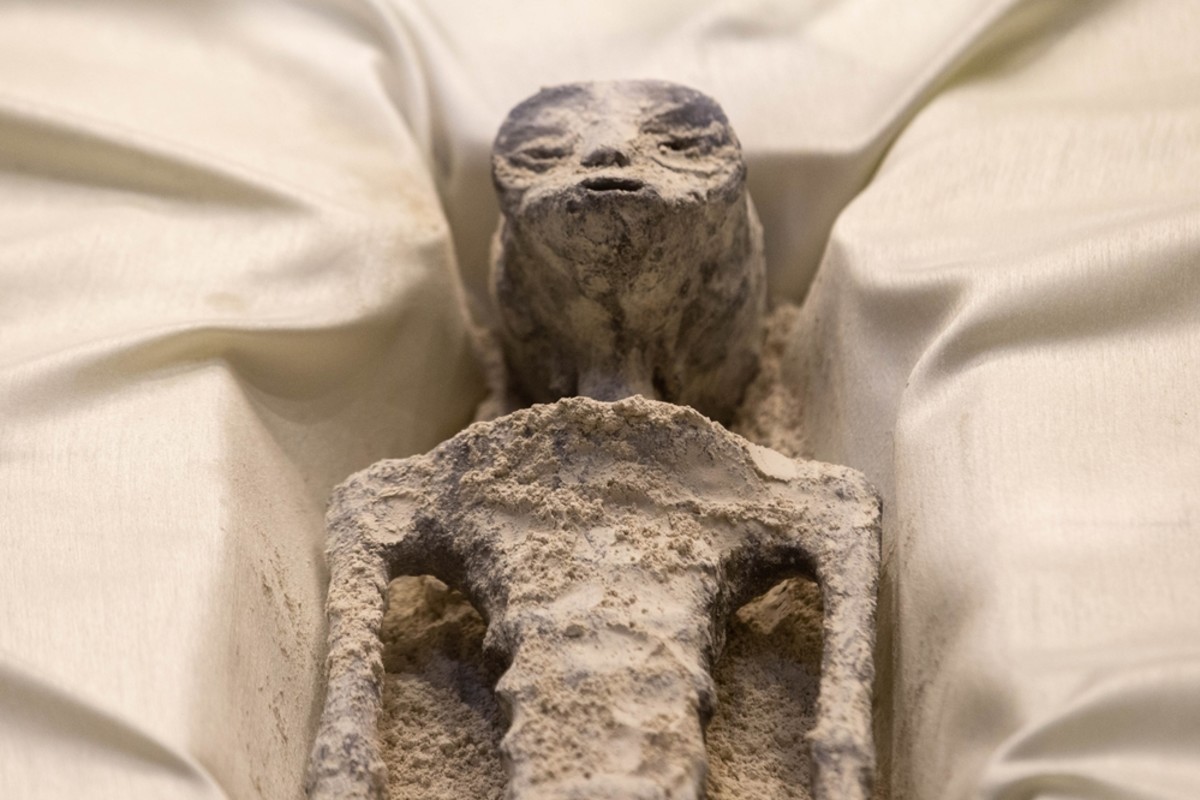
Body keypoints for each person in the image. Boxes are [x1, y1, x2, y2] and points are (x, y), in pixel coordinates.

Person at [3, 2, 1199, 798]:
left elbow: (842, 651)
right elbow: (355, 650)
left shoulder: (793, 493)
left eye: (672, 142)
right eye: (552, 150)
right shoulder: (425, 489)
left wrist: (842, 752)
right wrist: (345, 747)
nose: (612, 162)